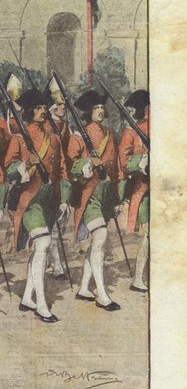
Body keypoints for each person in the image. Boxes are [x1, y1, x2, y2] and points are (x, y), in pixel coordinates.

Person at [4, 88, 71, 323]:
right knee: (42, 242)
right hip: (29, 199)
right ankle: (41, 304)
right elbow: (9, 169)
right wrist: (26, 164)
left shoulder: (54, 139)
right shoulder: (19, 138)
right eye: (39, 108)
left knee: (41, 247)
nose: (43, 111)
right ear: (30, 110)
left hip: (50, 200)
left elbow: (62, 170)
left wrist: (64, 199)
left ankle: (26, 297)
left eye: (45, 107)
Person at [67, 90, 122, 311]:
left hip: (106, 194)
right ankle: (102, 294)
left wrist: (117, 199)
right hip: (87, 195)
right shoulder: (79, 136)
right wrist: (89, 162)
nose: (100, 111)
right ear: (89, 112)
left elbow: (116, 169)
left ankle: (83, 288)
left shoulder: (109, 134)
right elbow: (71, 167)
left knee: (98, 242)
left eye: (102, 108)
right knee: (100, 236)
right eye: (96, 108)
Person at [119, 89, 150, 293]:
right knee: (150, 234)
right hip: (144, 189)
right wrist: (142, 162)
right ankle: (138, 278)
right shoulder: (131, 132)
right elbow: (124, 162)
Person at [45, 76, 72, 279]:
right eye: (60, 105)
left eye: (64, 105)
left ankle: (50, 259)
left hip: (64, 175)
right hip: (49, 177)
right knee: (52, 223)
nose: (63, 108)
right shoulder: (48, 126)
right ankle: (56, 264)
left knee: (60, 222)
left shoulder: (66, 125)